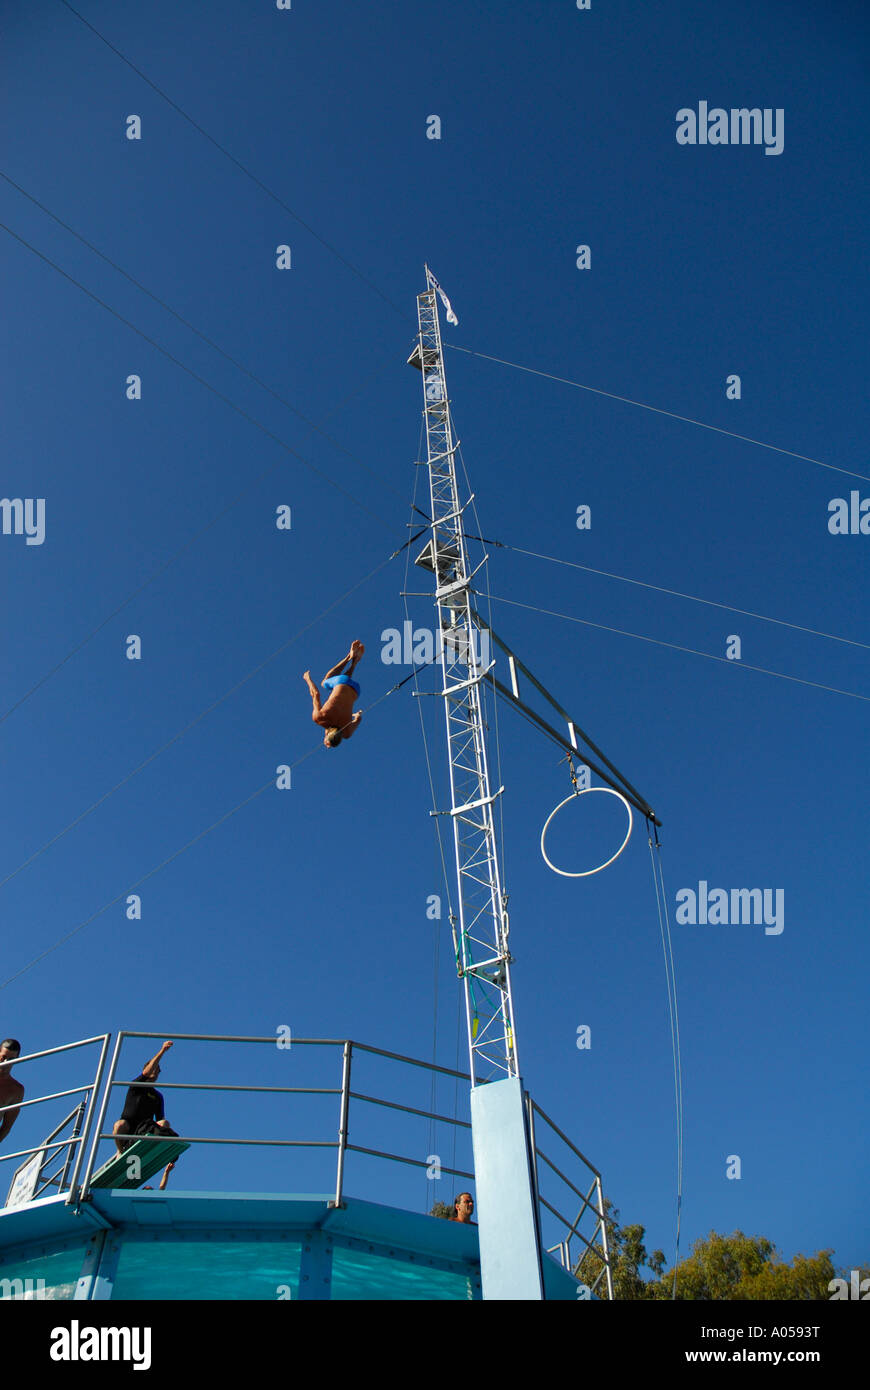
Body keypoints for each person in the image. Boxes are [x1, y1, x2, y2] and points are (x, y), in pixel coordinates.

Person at [112, 1040, 179, 1154]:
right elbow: (146, 1073)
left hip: (144, 1130)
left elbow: (160, 1121)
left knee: (165, 1124)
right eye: (153, 1068)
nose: (155, 1072)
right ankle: (120, 1152)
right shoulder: (136, 1085)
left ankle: (155, 1150)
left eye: (157, 1071)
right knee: (119, 1125)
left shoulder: (158, 1096)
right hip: (128, 1129)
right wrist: (162, 1051)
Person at [303, 640, 364, 748]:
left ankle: (354, 663)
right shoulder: (320, 718)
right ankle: (348, 657)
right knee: (325, 682)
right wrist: (308, 679)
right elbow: (316, 694)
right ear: (327, 736)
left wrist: (356, 715)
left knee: (342, 684)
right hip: (342, 682)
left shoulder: (347, 733)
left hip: (356, 690)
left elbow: (359, 719)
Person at [0, 1040, 24, 1146]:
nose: (6, 1062)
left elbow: (6, 1127)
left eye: (10, 1059)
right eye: (3, 1057)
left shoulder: (16, 1090)